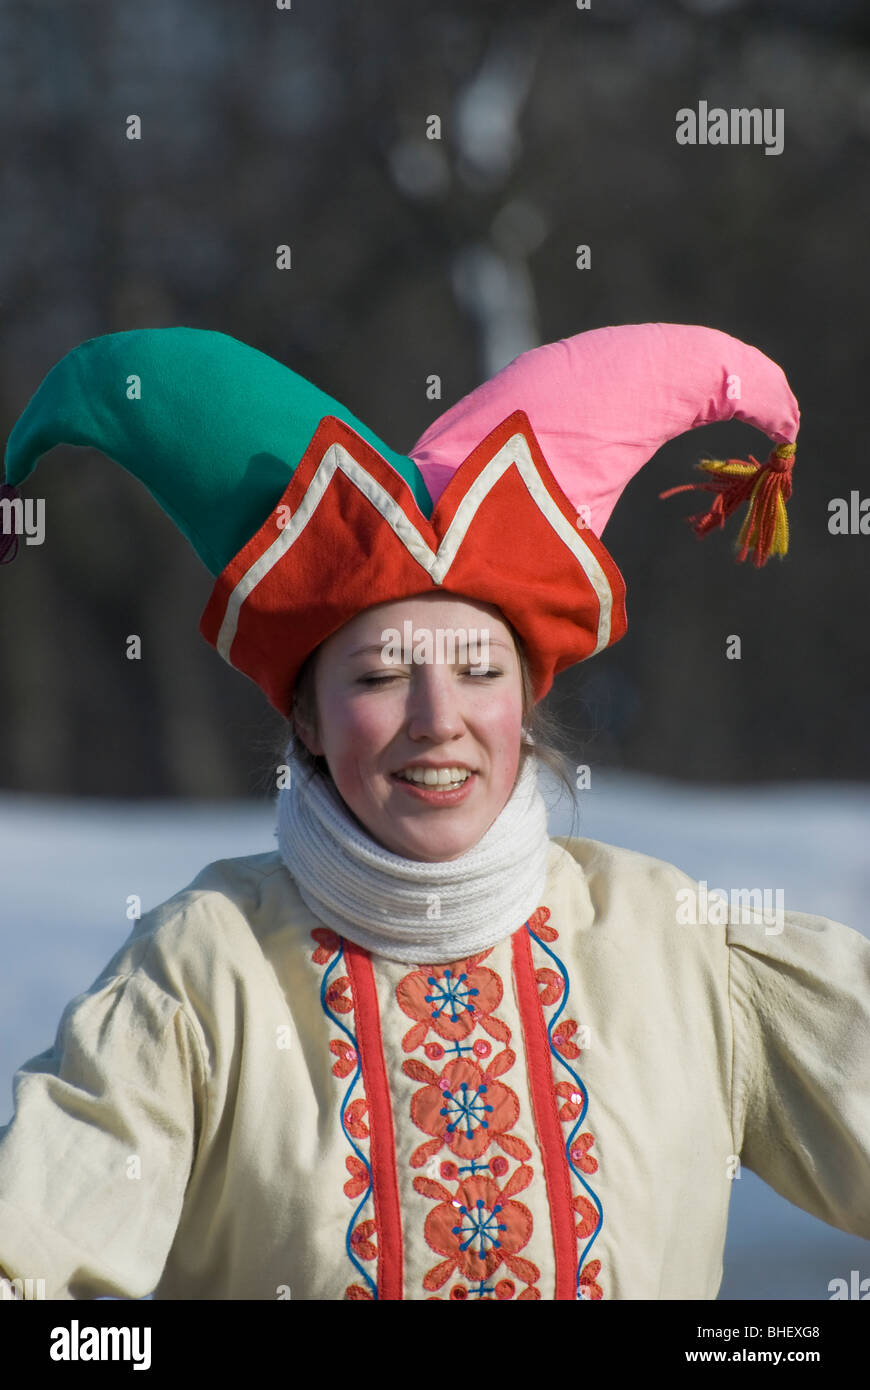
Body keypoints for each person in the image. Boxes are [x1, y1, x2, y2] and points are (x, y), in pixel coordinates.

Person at [0, 322, 867, 1301]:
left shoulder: (680, 946)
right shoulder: (202, 974)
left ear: (524, 704)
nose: (436, 721)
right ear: (310, 719)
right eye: (378, 674)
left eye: (478, 671)